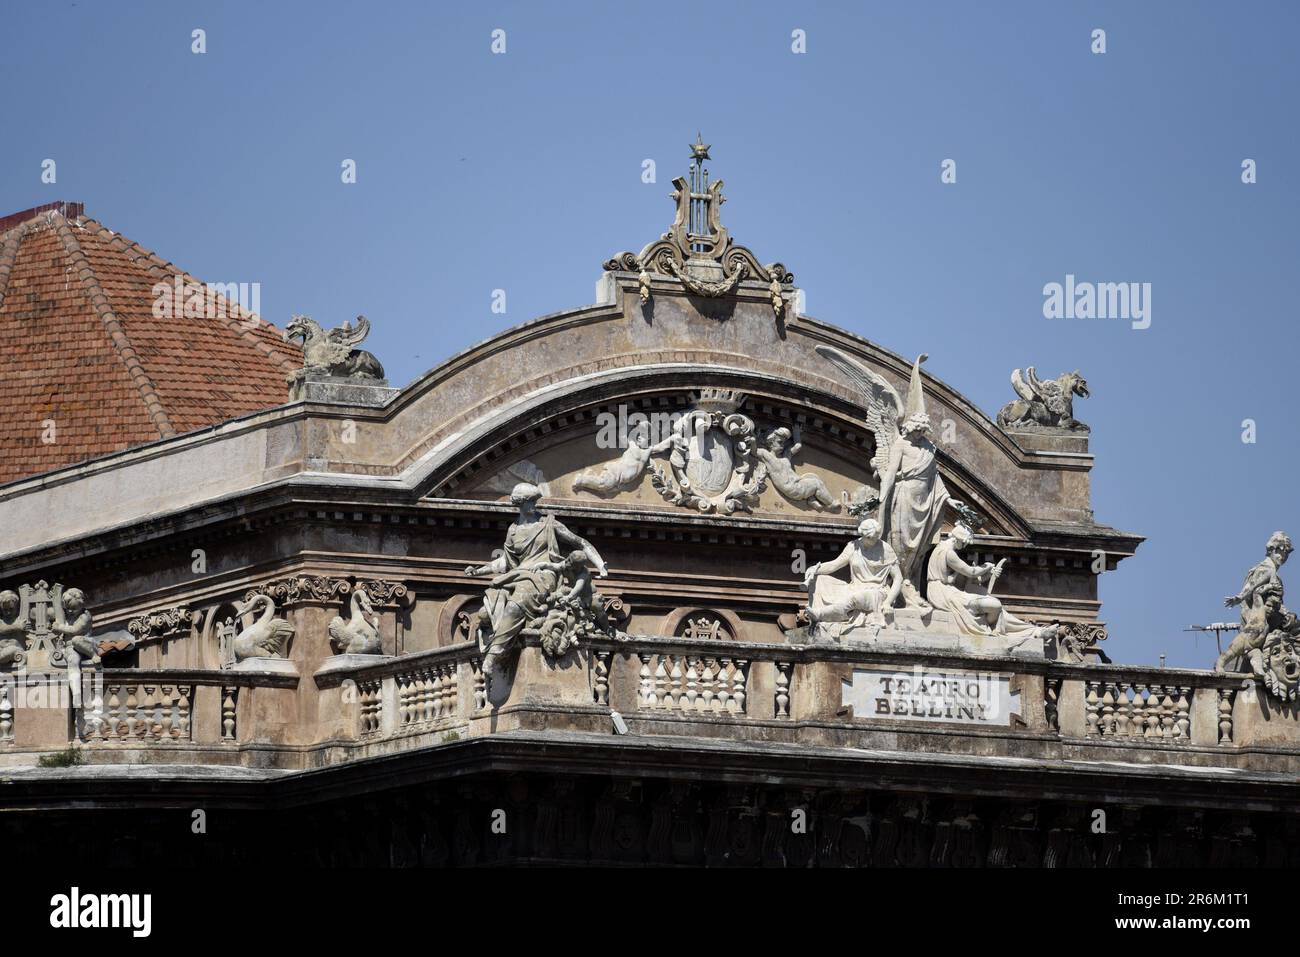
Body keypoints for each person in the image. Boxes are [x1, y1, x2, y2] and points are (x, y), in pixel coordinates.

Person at [465, 483, 608, 676]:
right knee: (486, 611)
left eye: (535, 500)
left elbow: (580, 542)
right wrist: (479, 571)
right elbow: (505, 562)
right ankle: (502, 649)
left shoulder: (548, 523)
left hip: (543, 575)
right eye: (530, 501)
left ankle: (493, 654)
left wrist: (600, 564)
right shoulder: (513, 531)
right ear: (520, 504)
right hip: (516, 575)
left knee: (515, 606)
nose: (534, 504)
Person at [925, 525, 1051, 640]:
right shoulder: (949, 553)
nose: (964, 547)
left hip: (945, 592)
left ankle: (1034, 631)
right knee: (995, 605)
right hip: (943, 594)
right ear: (959, 539)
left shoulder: (940, 549)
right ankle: (994, 628)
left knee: (998, 609)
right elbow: (971, 572)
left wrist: (987, 574)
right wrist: (987, 567)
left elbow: (962, 580)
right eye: (964, 543)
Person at [877, 413, 949, 606]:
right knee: (901, 541)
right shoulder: (900, 445)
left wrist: (948, 498)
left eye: (922, 431)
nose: (919, 434)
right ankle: (900, 583)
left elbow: (935, 477)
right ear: (909, 427)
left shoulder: (928, 447)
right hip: (904, 497)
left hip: (924, 502)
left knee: (918, 546)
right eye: (917, 430)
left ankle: (909, 581)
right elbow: (892, 471)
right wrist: (883, 495)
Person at [804, 518, 902, 626]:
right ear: (862, 535)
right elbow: (834, 564)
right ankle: (821, 615)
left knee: (856, 597)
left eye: (875, 537)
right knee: (820, 579)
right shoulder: (853, 546)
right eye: (870, 538)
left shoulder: (886, 549)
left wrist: (888, 602)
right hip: (854, 587)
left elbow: (898, 578)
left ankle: (820, 614)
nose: (873, 540)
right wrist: (815, 569)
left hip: (876, 590)